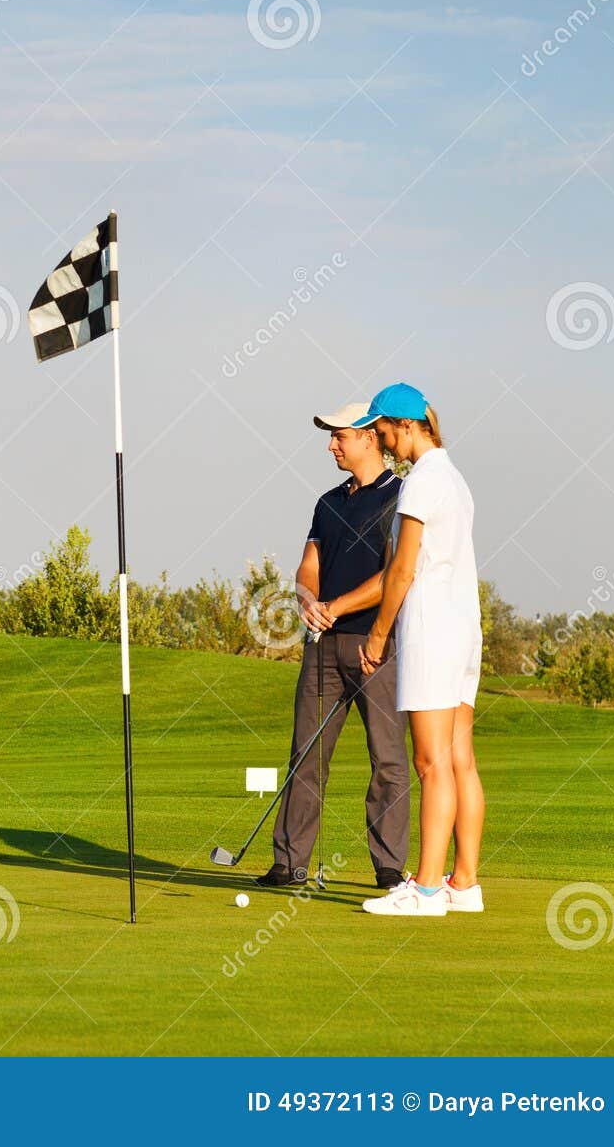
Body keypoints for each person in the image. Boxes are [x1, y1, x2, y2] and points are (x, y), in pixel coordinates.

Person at [258, 401, 409, 891]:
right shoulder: (328, 503)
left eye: (339, 436)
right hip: (322, 645)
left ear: (368, 436)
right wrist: (308, 600)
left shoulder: (401, 497)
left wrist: (337, 606)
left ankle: (389, 868)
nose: (330, 446)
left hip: (376, 643)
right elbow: (310, 564)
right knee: (306, 754)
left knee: (387, 758)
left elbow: (394, 574)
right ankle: (289, 864)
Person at [352, 383, 485, 917]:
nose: (381, 443)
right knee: (459, 760)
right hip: (464, 629)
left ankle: (427, 889)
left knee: (430, 762)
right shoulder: (454, 478)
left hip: (431, 630)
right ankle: (464, 883)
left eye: (382, 432)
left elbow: (402, 570)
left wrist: (378, 634)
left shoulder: (422, 482)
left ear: (406, 426)